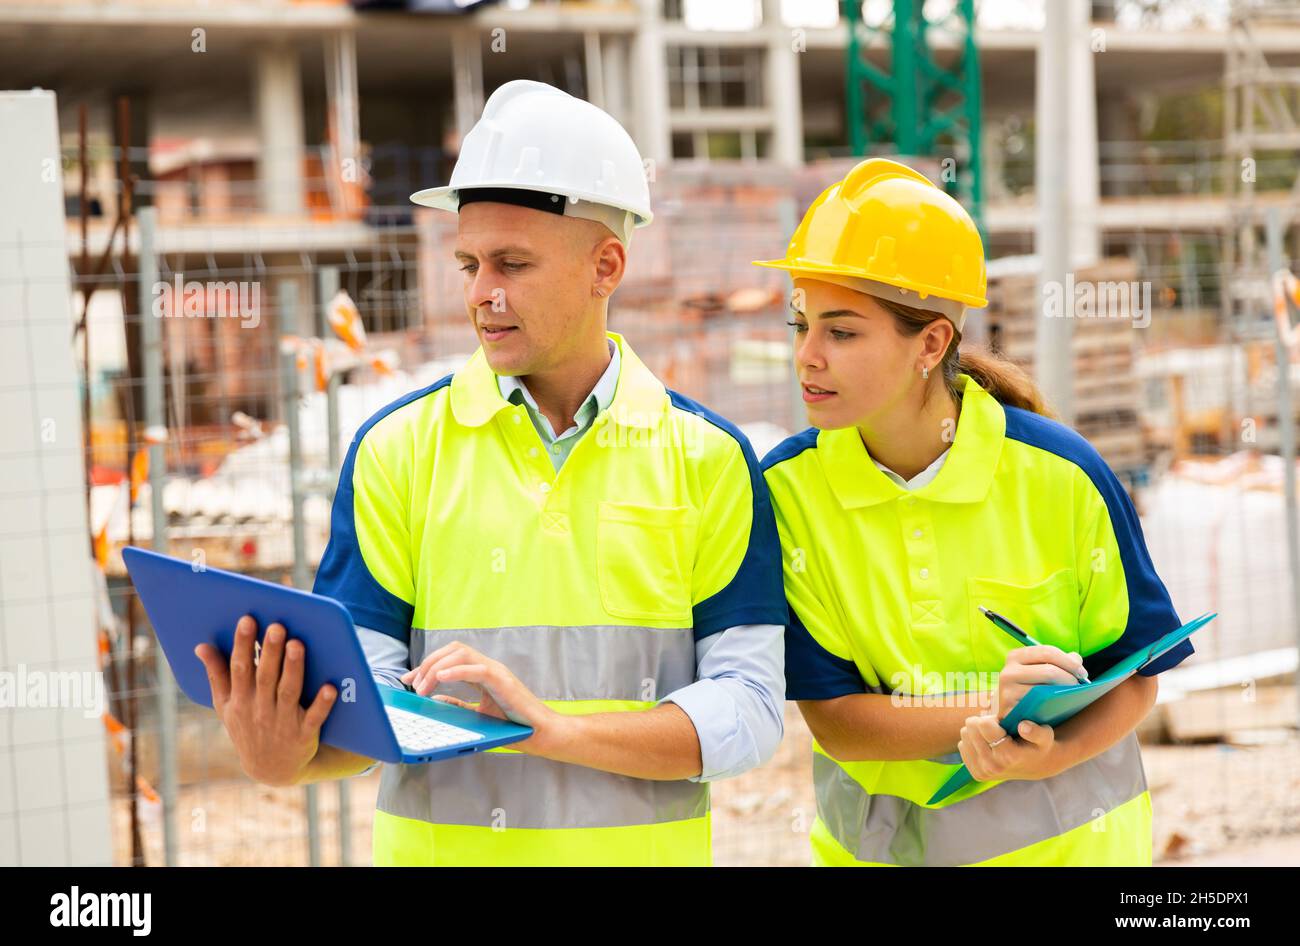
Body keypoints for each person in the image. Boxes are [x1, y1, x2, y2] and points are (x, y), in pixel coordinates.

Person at [196, 80, 787, 866]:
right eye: (469, 262)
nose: (481, 294)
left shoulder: (709, 459)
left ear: (605, 265)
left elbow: (750, 711)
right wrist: (284, 756)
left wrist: (557, 732)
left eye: (512, 263)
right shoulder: (396, 451)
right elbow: (360, 711)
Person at [754, 157, 1194, 866]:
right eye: (799, 323)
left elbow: (1137, 671)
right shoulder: (787, 495)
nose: (806, 356)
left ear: (930, 343)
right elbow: (837, 722)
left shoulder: (1064, 476)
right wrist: (994, 706)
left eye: (841, 332)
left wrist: (1055, 754)